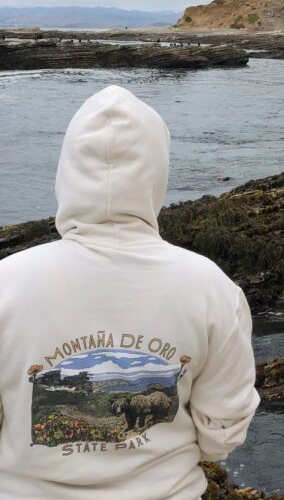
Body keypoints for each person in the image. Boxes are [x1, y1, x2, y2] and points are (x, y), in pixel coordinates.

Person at [0, 84, 260, 499]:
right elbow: (223, 434)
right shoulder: (211, 287)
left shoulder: (7, 281)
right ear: (158, 170)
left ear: (66, 169)